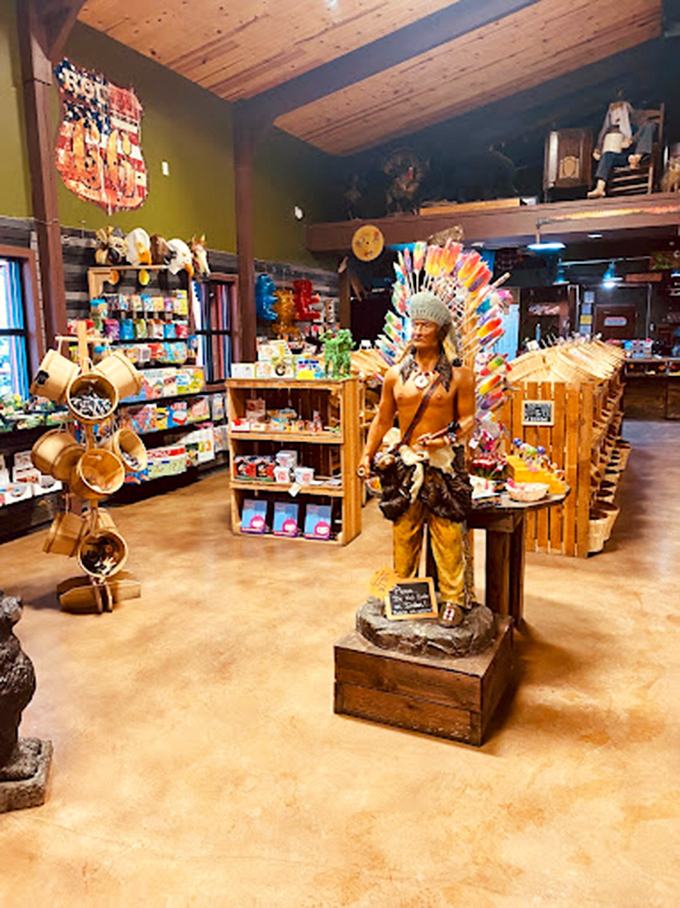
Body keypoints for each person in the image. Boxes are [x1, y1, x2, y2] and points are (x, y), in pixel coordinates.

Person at [357, 291, 475, 627]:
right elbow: (382, 418)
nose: (418, 331)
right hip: (406, 464)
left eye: (426, 325)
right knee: (404, 530)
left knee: (448, 532)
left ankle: (453, 598)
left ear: (441, 331)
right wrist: (367, 455)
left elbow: (468, 420)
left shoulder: (460, 376)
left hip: (443, 465)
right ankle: (403, 592)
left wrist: (445, 438)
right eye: (415, 324)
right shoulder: (395, 375)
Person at [587, 99, 657, 198]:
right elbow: (602, 138)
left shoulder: (637, 120)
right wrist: (598, 150)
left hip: (638, 153)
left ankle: (637, 157)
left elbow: (649, 127)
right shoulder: (613, 127)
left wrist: (631, 140)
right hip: (624, 157)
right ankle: (600, 188)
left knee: (649, 126)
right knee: (607, 155)